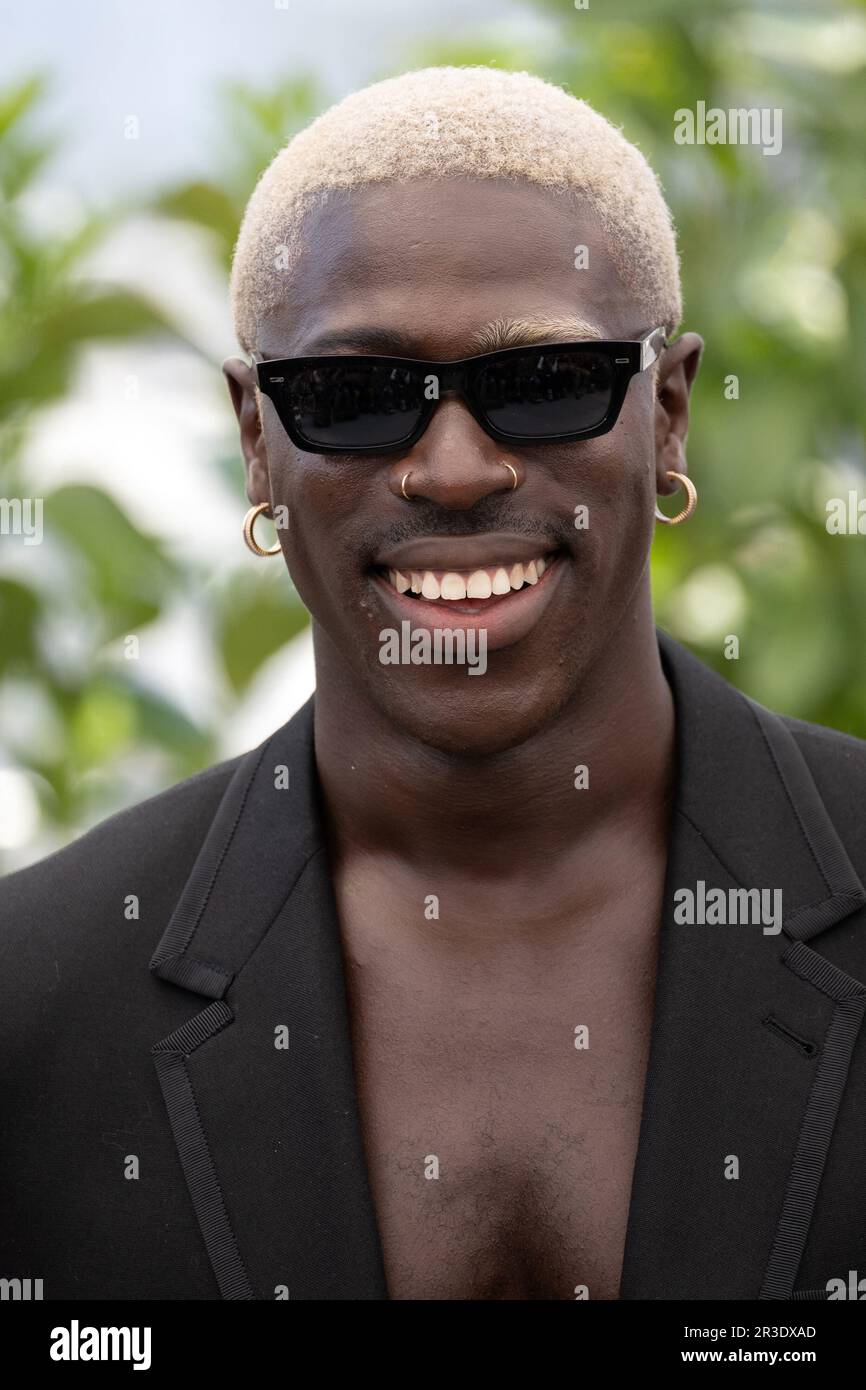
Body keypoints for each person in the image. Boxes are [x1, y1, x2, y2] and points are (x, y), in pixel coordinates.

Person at [2, 66, 865, 1303]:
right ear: (258, 440)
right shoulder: (31, 1002)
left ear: (665, 413)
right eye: (354, 399)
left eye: (541, 383)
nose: (453, 470)